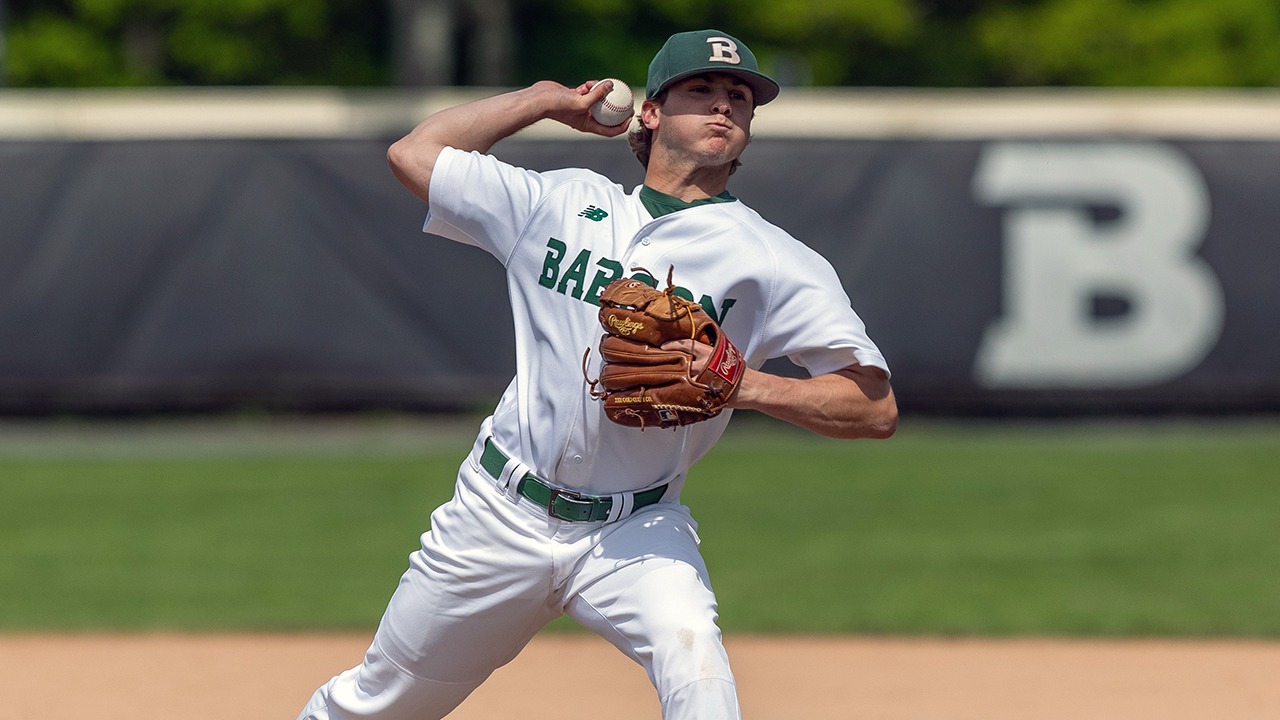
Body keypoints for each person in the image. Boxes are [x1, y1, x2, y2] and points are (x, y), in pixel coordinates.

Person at [298, 28, 896, 720]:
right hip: (499, 513)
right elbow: (414, 154)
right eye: (700, 90)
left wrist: (746, 384)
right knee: (374, 704)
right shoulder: (560, 203)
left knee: (698, 670)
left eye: (740, 97)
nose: (724, 106)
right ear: (650, 112)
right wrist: (542, 101)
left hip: (637, 528)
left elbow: (873, 408)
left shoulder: (775, 259)